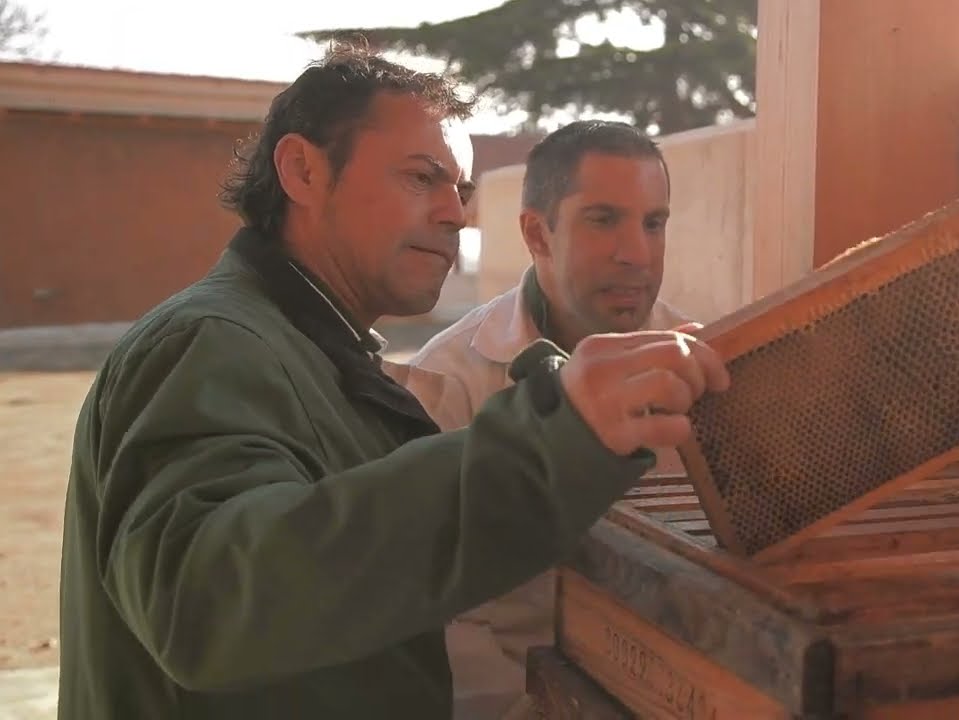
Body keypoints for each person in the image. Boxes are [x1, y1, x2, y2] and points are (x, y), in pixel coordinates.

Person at [56, 44, 729, 720]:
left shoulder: (318, 356)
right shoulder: (210, 343)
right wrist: (555, 440)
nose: (454, 214)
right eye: (421, 178)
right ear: (302, 170)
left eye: (459, 191)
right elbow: (203, 603)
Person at [403, 119, 693, 717]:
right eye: (604, 219)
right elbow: (437, 622)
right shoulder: (446, 383)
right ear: (538, 233)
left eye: (654, 223)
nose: (637, 253)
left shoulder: (703, 368)